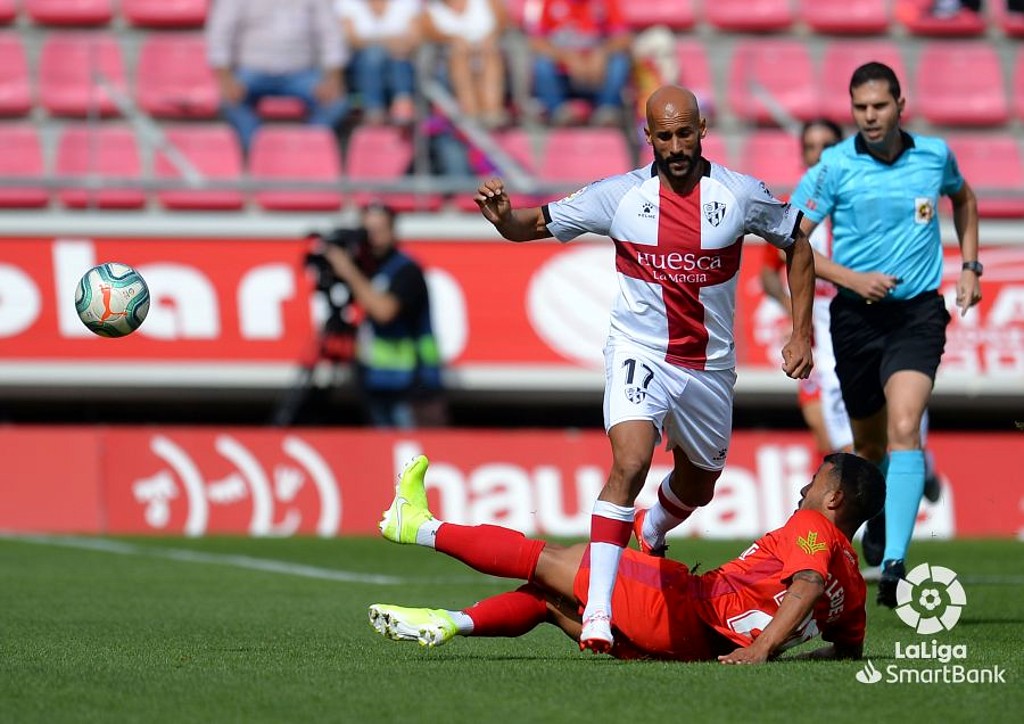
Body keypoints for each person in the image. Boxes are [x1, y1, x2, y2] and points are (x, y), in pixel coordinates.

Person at [474, 85, 816, 652]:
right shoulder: (620, 196)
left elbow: (796, 242)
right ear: (648, 137)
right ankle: (598, 612)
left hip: (708, 367)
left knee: (700, 485)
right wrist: (504, 217)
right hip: (640, 351)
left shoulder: (739, 194)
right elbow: (529, 226)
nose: (676, 147)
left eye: (685, 134)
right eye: (665, 136)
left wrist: (800, 332)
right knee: (630, 461)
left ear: (702, 131)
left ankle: (651, 527)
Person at [369, 453, 885, 663]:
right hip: (694, 649)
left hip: (682, 607)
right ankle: (450, 622)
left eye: (815, 482)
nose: (803, 489)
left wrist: (762, 649)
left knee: (551, 558)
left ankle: (417, 526)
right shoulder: (855, 588)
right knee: (549, 602)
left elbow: (806, 584)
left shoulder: (813, 528)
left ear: (834, 499)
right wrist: (775, 649)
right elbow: (847, 651)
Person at [788, 62, 982, 607]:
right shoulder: (834, 166)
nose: (870, 116)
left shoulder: (934, 156)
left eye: (879, 106)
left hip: (917, 315)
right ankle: (876, 525)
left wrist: (971, 266)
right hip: (855, 318)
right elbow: (792, 240)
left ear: (900, 105)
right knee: (870, 446)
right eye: (860, 107)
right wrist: (851, 279)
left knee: (904, 427)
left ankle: (894, 562)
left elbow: (965, 199)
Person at [323, 202, 447, 428]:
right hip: (376, 382)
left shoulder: (406, 270)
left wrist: (348, 271)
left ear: (393, 231)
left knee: (412, 448)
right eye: (367, 231)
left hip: (412, 385)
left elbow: (384, 311)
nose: (373, 237)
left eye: (379, 230)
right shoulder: (368, 269)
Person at [206, 0, 350, 153]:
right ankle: (260, 151)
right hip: (252, 71)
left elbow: (331, 34)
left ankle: (302, 150)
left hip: (302, 73)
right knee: (228, 100)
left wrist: (333, 78)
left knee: (336, 102)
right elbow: (220, 34)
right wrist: (226, 79)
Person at [526, 0, 633, 127]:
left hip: (598, 76)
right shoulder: (548, 3)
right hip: (563, 76)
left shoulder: (607, 2)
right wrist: (566, 58)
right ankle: (559, 112)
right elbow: (536, 42)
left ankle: (606, 111)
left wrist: (602, 53)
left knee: (619, 62)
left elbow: (624, 38)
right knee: (542, 65)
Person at [422, 0, 509, 129]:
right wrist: (454, 40)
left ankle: (493, 110)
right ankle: (470, 111)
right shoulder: (432, 11)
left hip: (489, 52)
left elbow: (504, 22)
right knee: (459, 56)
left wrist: (491, 37)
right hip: (453, 60)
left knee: (490, 54)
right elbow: (431, 34)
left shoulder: (487, 3)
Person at [335, 0, 422, 126]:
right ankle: (379, 107)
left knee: (398, 59)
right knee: (373, 56)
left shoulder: (407, 3)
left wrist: (376, 42)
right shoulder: (347, 3)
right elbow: (351, 39)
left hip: (399, 62)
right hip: (359, 66)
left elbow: (414, 39)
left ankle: (393, 105)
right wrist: (388, 42)